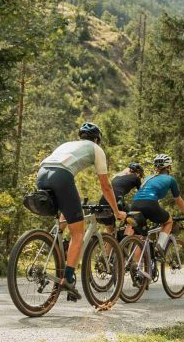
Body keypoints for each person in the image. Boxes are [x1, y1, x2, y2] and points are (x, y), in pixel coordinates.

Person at [36, 122, 127, 301]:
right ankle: (68, 279)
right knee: (79, 233)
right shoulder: (96, 149)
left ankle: (58, 241)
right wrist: (117, 212)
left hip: (42, 173)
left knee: (68, 214)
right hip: (61, 176)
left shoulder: (67, 145)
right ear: (97, 139)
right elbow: (106, 186)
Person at [128, 153, 184, 280]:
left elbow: (145, 194)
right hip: (150, 204)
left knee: (140, 237)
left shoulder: (148, 177)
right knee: (168, 221)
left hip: (134, 205)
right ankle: (159, 246)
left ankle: (135, 266)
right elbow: (178, 200)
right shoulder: (170, 179)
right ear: (169, 167)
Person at [97, 162, 144, 235]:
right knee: (132, 217)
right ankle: (126, 241)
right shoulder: (135, 178)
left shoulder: (116, 176)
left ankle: (110, 243)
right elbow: (142, 194)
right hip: (116, 199)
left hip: (103, 200)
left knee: (111, 233)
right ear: (138, 173)